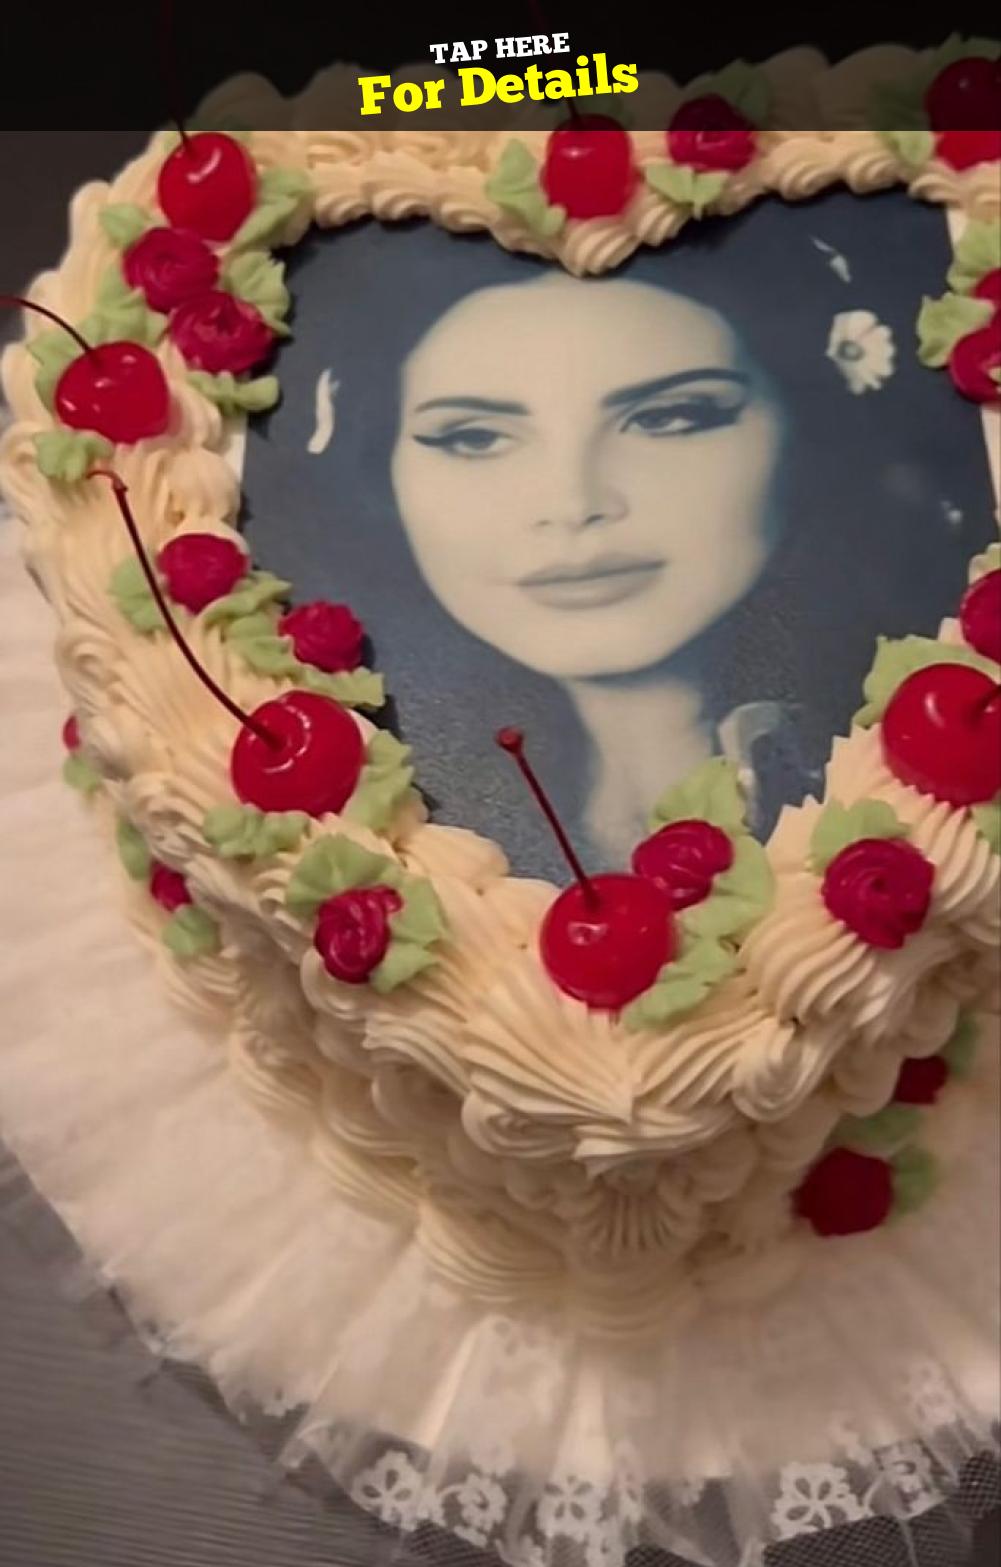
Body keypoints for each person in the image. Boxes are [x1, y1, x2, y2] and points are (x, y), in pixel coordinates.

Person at [242, 191, 995, 882]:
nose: (574, 503)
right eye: (473, 437)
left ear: (804, 431)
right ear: (386, 471)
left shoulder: (929, 738)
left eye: (668, 418)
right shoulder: (394, 808)